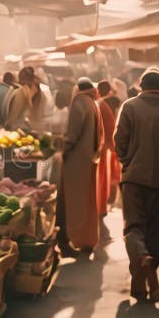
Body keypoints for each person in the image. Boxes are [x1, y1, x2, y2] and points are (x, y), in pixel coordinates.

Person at [114, 68, 159, 302]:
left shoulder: (130, 106)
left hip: (134, 179)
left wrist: (127, 160)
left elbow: (119, 139)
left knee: (134, 229)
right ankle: (144, 287)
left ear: (141, 86)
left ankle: (142, 256)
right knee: (153, 230)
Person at [60, 77, 104, 256]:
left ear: (78, 88)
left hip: (76, 163)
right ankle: (87, 241)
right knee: (87, 203)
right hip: (89, 161)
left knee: (72, 204)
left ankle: (69, 240)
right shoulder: (94, 103)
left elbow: (73, 133)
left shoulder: (80, 101)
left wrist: (62, 151)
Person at [98, 80, 123, 206]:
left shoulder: (98, 103)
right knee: (114, 173)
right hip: (113, 139)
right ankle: (110, 199)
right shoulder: (115, 100)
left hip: (102, 142)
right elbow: (118, 119)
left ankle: (106, 199)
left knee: (105, 174)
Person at [96, 81, 118, 218]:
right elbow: (112, 127)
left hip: (98, 149)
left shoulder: (97, 104)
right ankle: (102, 206)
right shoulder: (103, 104)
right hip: (104, 149)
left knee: (102, 181)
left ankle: (101, 206)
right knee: (104, 180)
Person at [4, 66, 45, 131]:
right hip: (37, 128)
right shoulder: (42, 93)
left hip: (19, 129)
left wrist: (7, 124)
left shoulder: (21, 92)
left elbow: (14, 115)